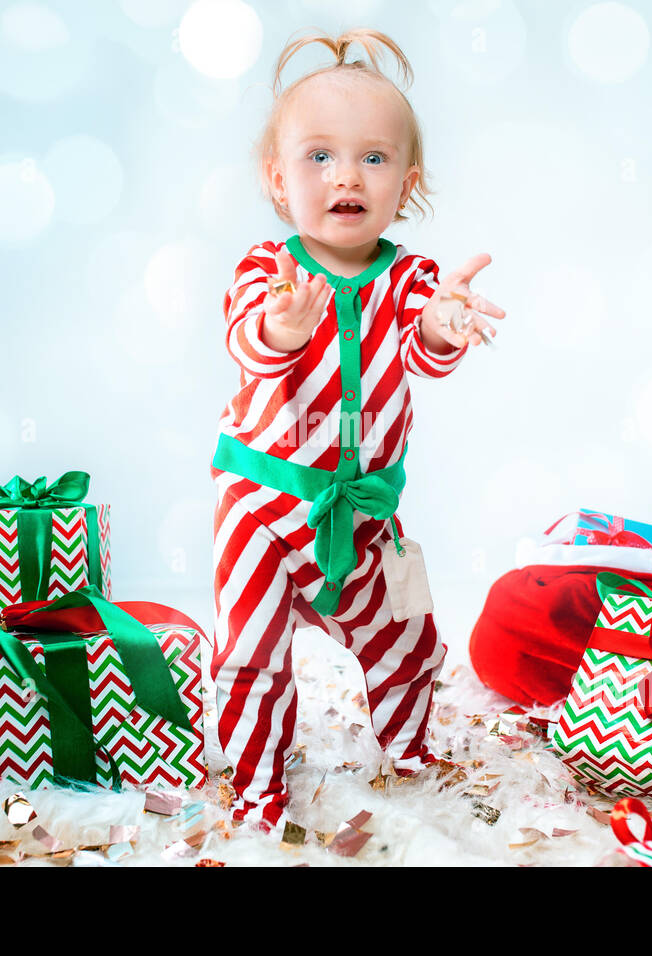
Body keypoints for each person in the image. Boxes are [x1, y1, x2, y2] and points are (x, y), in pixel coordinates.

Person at [209, 28, 506, 829]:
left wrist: (445, 324)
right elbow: (246, 343)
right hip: (263, 511)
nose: (346, 175)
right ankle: (258, 786)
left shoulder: (409, 277)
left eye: (373, 159)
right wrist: (281, 330)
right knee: (252, 655)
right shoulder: (267, 272)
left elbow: (422, 347)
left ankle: (410, 754)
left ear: (406, 185)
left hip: (365, 518)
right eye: (319, 156)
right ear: (277, 179)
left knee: (406, 639)